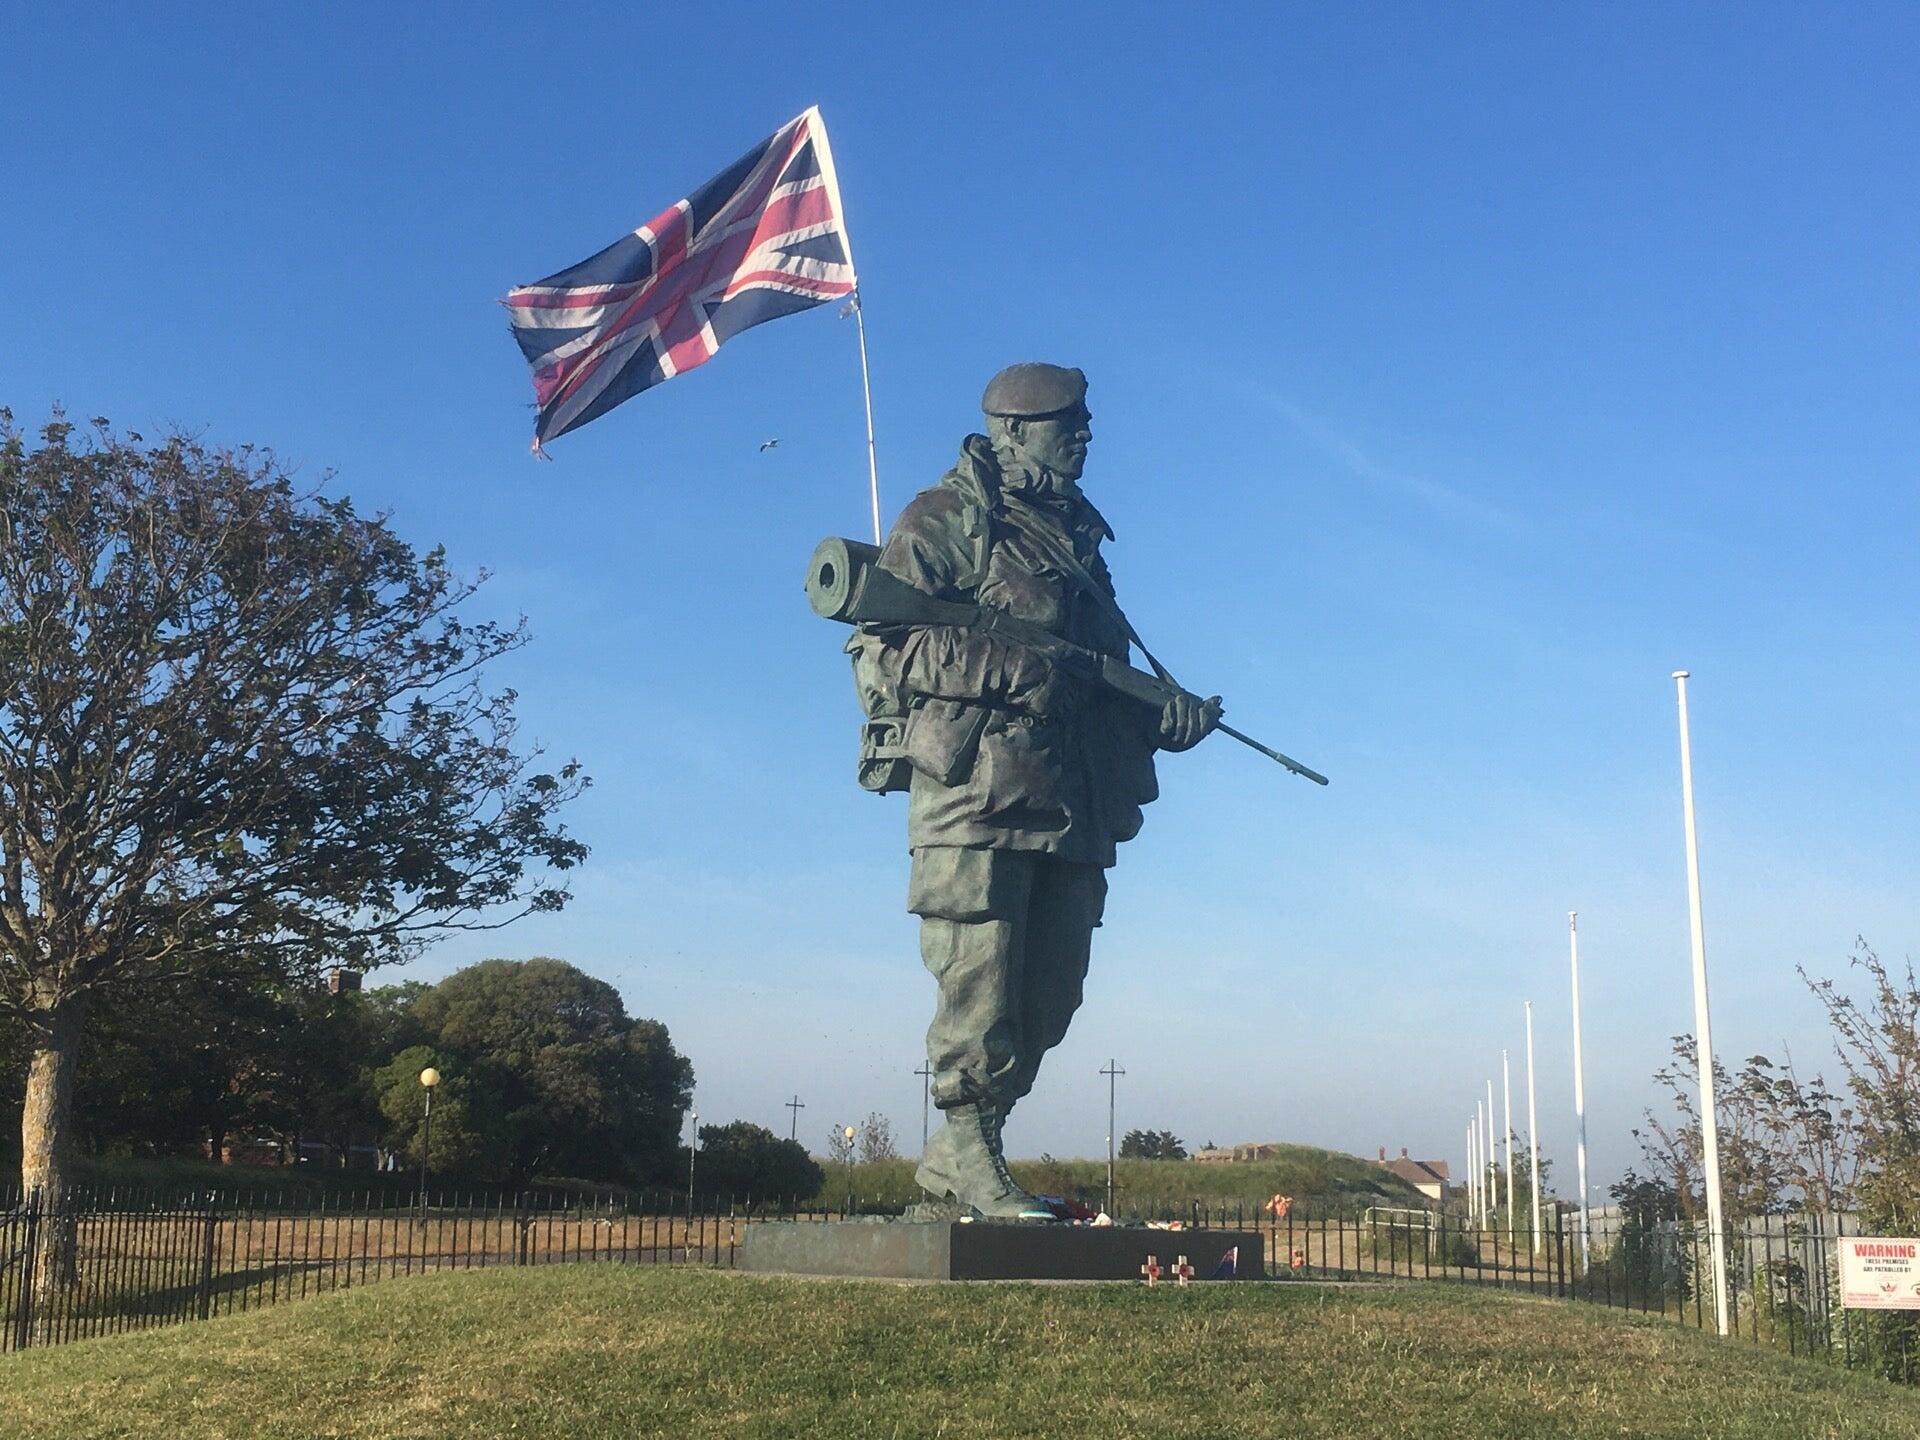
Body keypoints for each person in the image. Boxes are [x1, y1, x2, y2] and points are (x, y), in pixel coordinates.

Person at [847, 363, 1220, 1217]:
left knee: (1049, 995)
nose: (1084, 434)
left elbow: (1098, 678)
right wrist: (1017, 672)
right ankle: (973, 1155)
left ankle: (955, 1167)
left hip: (1070, 800)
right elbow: (891, 646)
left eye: (1085, 419)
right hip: (975, 797)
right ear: (1013, 432)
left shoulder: (1077, 538)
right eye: (1066, 421)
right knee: (978, 984)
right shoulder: (948, 521)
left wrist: (1161, 718)